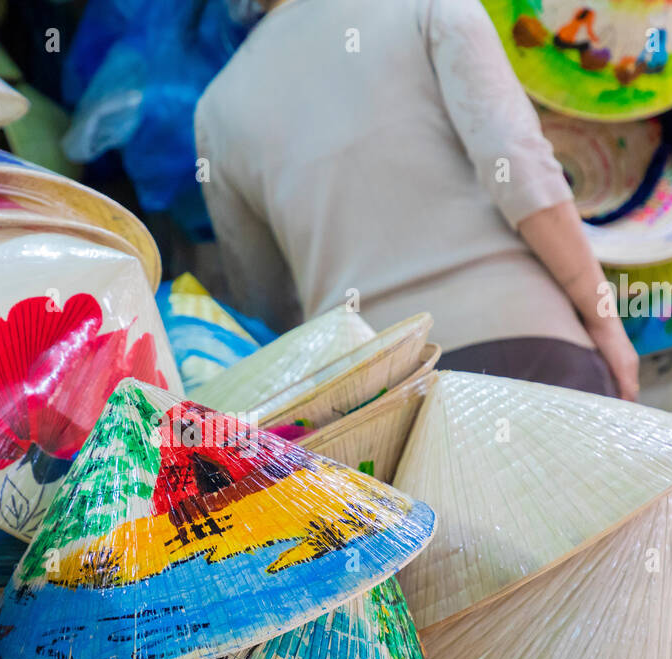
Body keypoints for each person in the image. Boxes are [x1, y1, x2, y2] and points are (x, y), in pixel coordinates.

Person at [196, 0, 639, 399]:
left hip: (372, 398)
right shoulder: (429, 8)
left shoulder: (216, 111)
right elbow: (520, 171)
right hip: (529, 351)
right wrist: (605, 320)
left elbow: (267, 304)